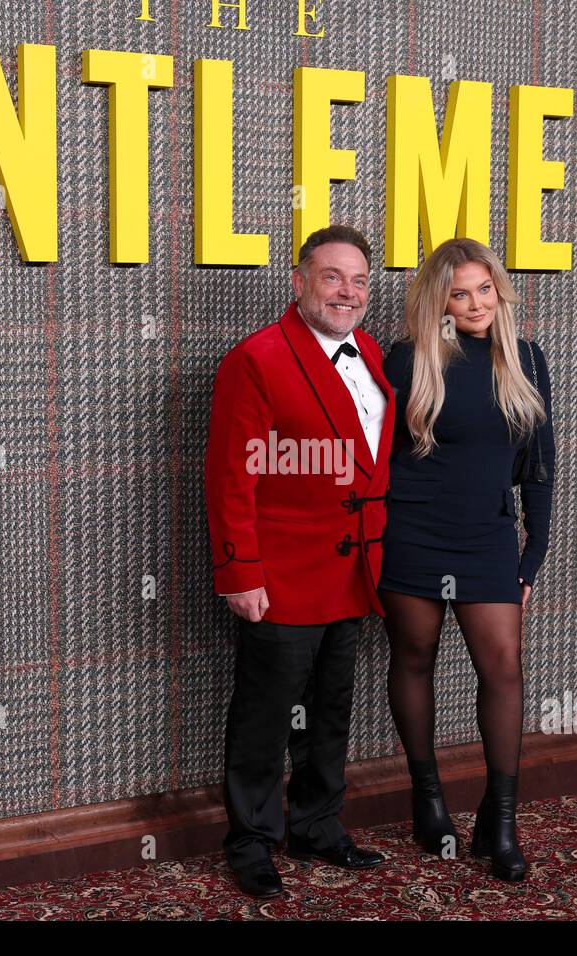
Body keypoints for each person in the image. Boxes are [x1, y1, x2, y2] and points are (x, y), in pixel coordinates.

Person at [204, 225, 393, 897]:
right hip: (281, 574)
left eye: (358, 281)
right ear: (300, 281)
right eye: (332, 276)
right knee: (266, 712)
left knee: (330, 709)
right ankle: (252, 840)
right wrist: (240, 573)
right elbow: (232, 477)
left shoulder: (368, 350)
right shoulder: (256, 358)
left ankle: (316, 826)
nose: (347, 291)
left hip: (352, 570)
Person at [378, 237, 556, 882]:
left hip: (486, 539)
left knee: (503, 667)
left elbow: (539, 467)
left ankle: (499, 819)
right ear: (439, 300)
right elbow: (377, 460)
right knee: (414, 658)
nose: (476, 303)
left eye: (485, 289)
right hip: (413, 532)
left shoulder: (527, 359)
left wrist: (530, 556)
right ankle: (428, 799)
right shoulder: (408, 359)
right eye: (460, 292)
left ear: (500, 292)